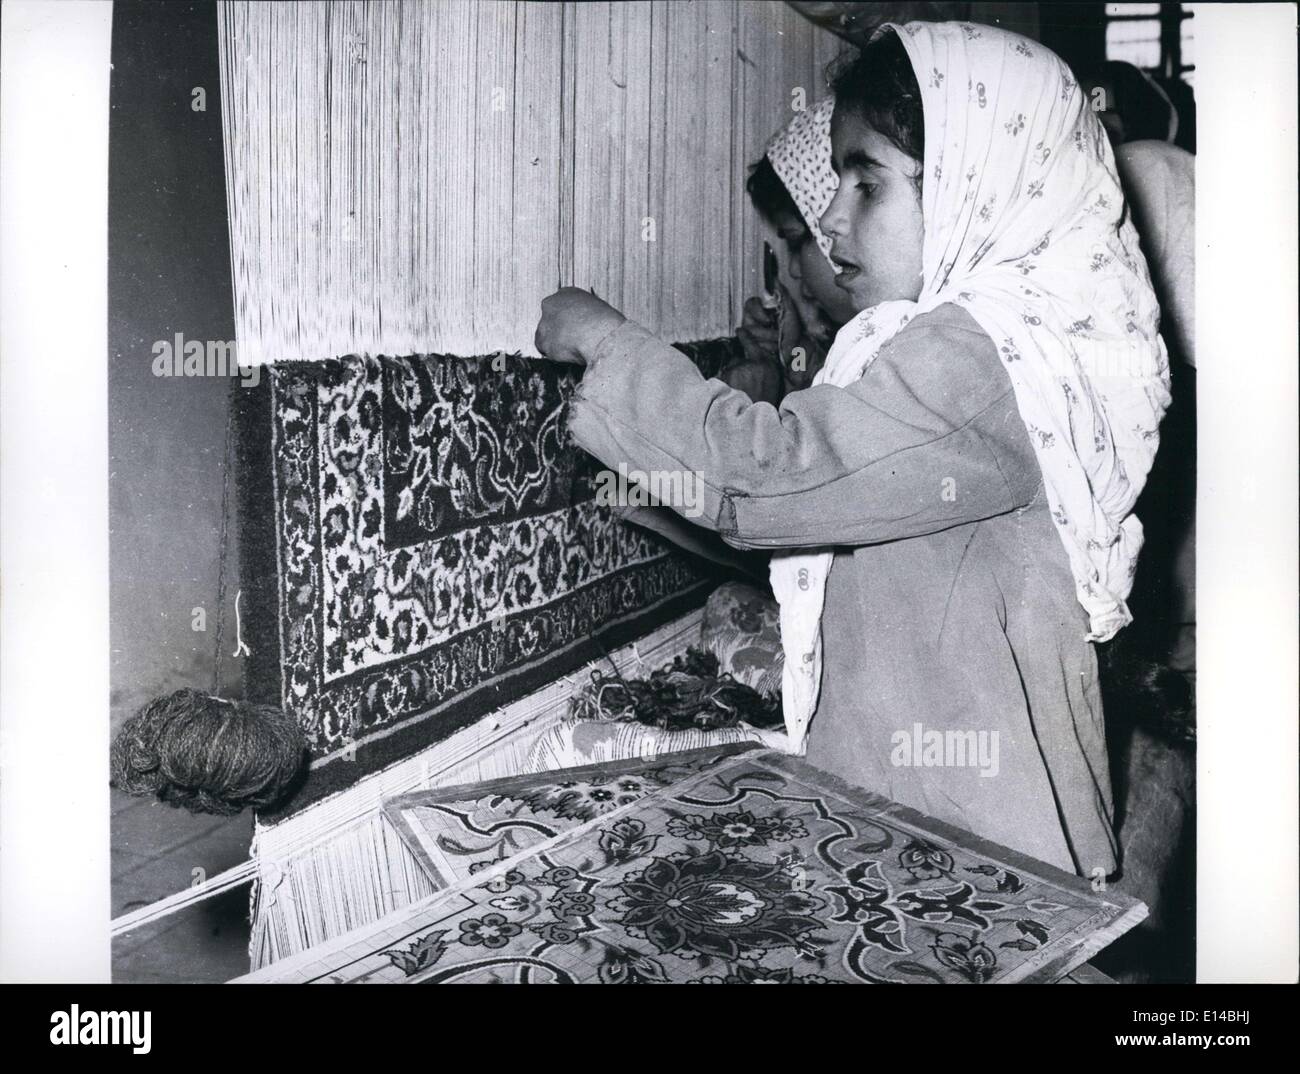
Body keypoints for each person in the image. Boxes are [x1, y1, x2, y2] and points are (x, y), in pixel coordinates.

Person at [534, 21, 1170, 879]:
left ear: (971, 186)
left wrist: (611, 344)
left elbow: (775, 474)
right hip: (936, 825)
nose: (831, 218)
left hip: (975, 854)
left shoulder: (984, 361)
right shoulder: (991, 346)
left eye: (865, 181)